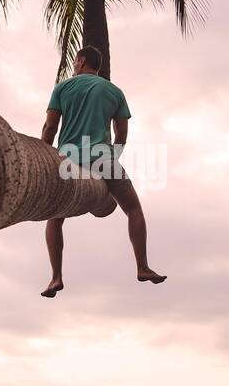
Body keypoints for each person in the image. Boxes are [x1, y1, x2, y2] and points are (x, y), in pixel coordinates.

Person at [39, 46, 165, 297]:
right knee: (133, 208)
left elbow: (50, 127)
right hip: (102, 157)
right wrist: (111, 157)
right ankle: (142, 267)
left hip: (68, 159)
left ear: (81, 61)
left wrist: (44, 158)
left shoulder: (62, 88)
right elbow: (122, 134)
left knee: (55, 216)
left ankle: (55, 277)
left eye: (75, 61)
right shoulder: (114, 91)